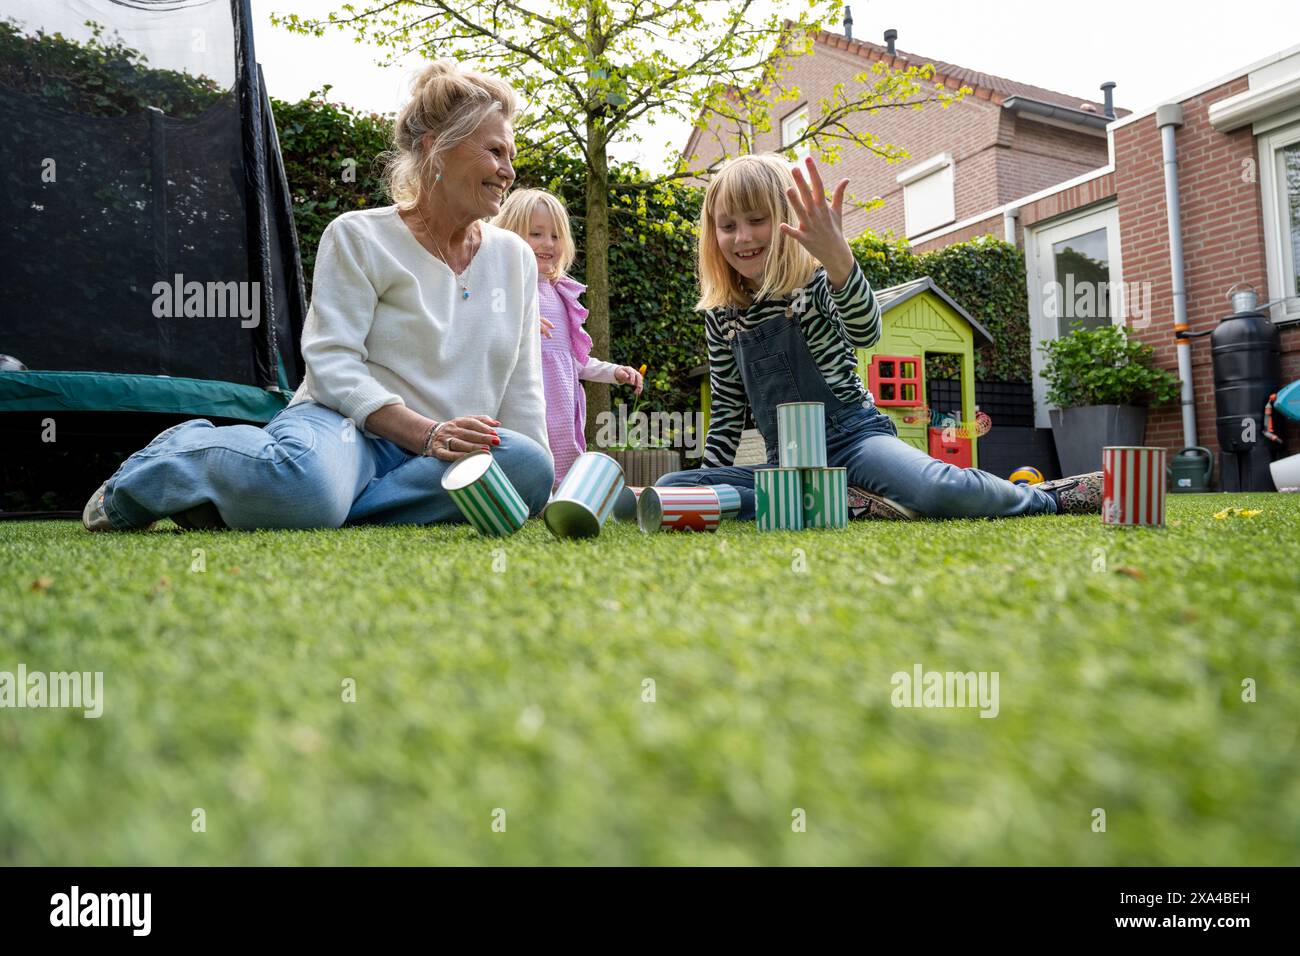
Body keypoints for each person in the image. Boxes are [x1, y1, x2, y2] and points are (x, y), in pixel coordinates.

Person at [82, 60, 554, 531]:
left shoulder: (513, 257)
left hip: (441, 454)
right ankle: (170, 459)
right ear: (436, 149)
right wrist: (425, 433)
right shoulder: (359, 236)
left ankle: (323, 506)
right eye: (495, 151)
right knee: (302, 484)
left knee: (529, 467)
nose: (508, 171)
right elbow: (332, 365)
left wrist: (541, 489)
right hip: (347, 429)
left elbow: (522, 388)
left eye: (511, 156)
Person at [653, 153, 1102, 520]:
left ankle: (1050, 497)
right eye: (728, 225)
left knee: (933, 490)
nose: (743, 237)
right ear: (712, 235)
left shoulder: (816, 283)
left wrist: (840, 262)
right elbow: (729, 410)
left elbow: (866, 330)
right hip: (787, 463)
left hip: (856, 440)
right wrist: (706, 485)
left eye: (757, 220)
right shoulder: (723, 316)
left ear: (787, 221)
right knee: (673, 487)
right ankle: (850, 503)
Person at [493, 188, 645, 489]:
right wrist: (518, 320)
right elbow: (486, 328)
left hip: (563, 402)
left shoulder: (561, 292)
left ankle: (564, 496)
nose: (547, 244)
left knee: (564, 464)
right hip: (523, 401)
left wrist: (613, 372)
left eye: (555, 236)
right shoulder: (504, 287)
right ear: (509, 237)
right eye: (536, 234)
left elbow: (573, 361)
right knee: (527, 459)